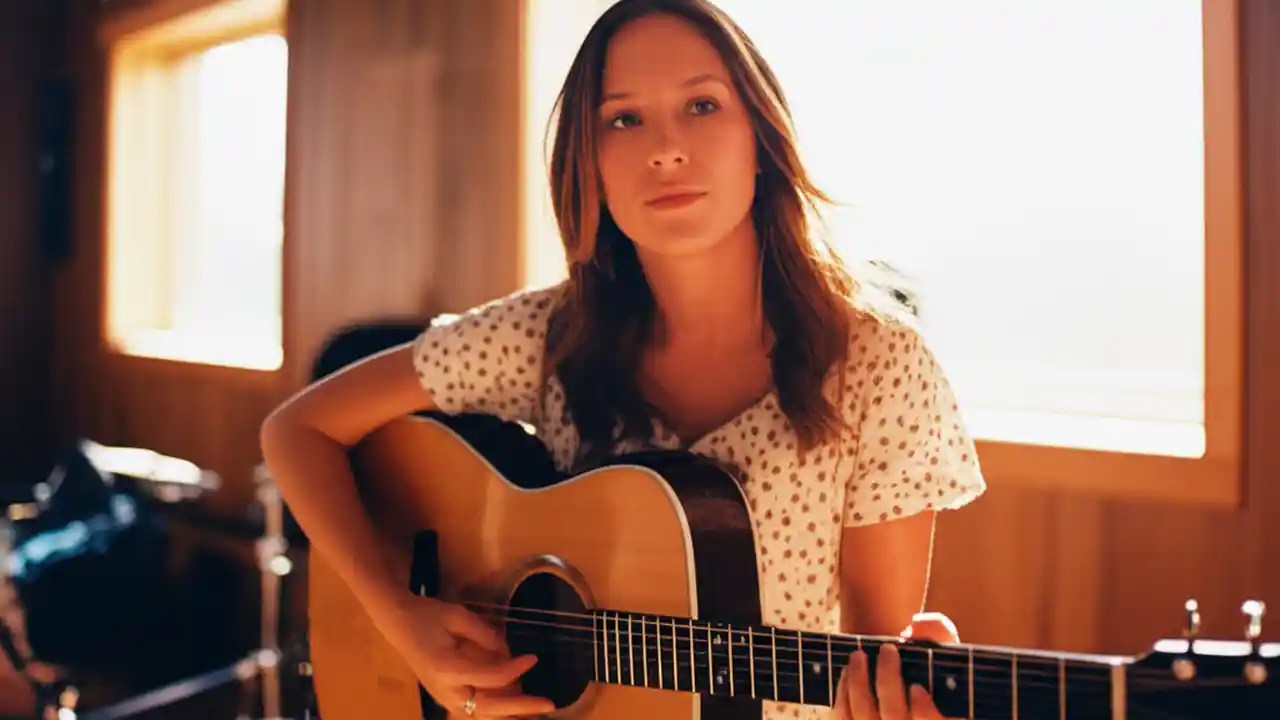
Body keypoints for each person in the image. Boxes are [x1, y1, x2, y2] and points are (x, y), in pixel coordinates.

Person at [259, 0, 985, 718]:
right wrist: (397, 614)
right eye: (623, 119)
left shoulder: (877, 364)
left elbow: (873, 667)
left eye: (701, 105)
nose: (665, 148)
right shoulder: (550, 333)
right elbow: (298, 430)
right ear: (591, 163)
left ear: (761, 139)